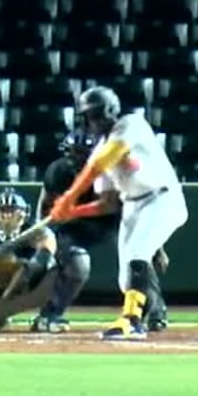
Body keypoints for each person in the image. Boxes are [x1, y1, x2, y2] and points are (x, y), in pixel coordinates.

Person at [49, 87, 188, 341]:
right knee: (126, 278)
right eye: (90, 116)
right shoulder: (100, 148)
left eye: (98, 114)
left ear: (111, 112)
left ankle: (132, 321)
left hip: (161, 198)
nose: (95, 121)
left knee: (138, 252)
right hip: (132, 205)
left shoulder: (131, 125)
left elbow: (104, 160)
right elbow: (108, 204)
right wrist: (73, 212)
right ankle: (143, 314)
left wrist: (69, 197)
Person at [37, 128, 171, 332]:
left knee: (139, 258)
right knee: (75, 263)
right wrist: (43, 236)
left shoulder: (114, 171)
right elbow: (45, 205)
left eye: (83, 154)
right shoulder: (58, 171)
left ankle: (154, 311)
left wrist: (158, 248)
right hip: (76, 225)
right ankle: (51, 313)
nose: (78, 160)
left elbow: (139, 209)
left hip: (113, 219)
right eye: (73, 154)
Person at [0, 187, 101, 334]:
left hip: (40, 283)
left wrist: (25, 271)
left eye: (12, 211)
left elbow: (46, 255)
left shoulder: (36, 231)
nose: (7, 216)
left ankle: (50, 315)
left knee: (77, 259)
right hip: (9, 291)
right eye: (3, 211)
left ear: (23, 213)